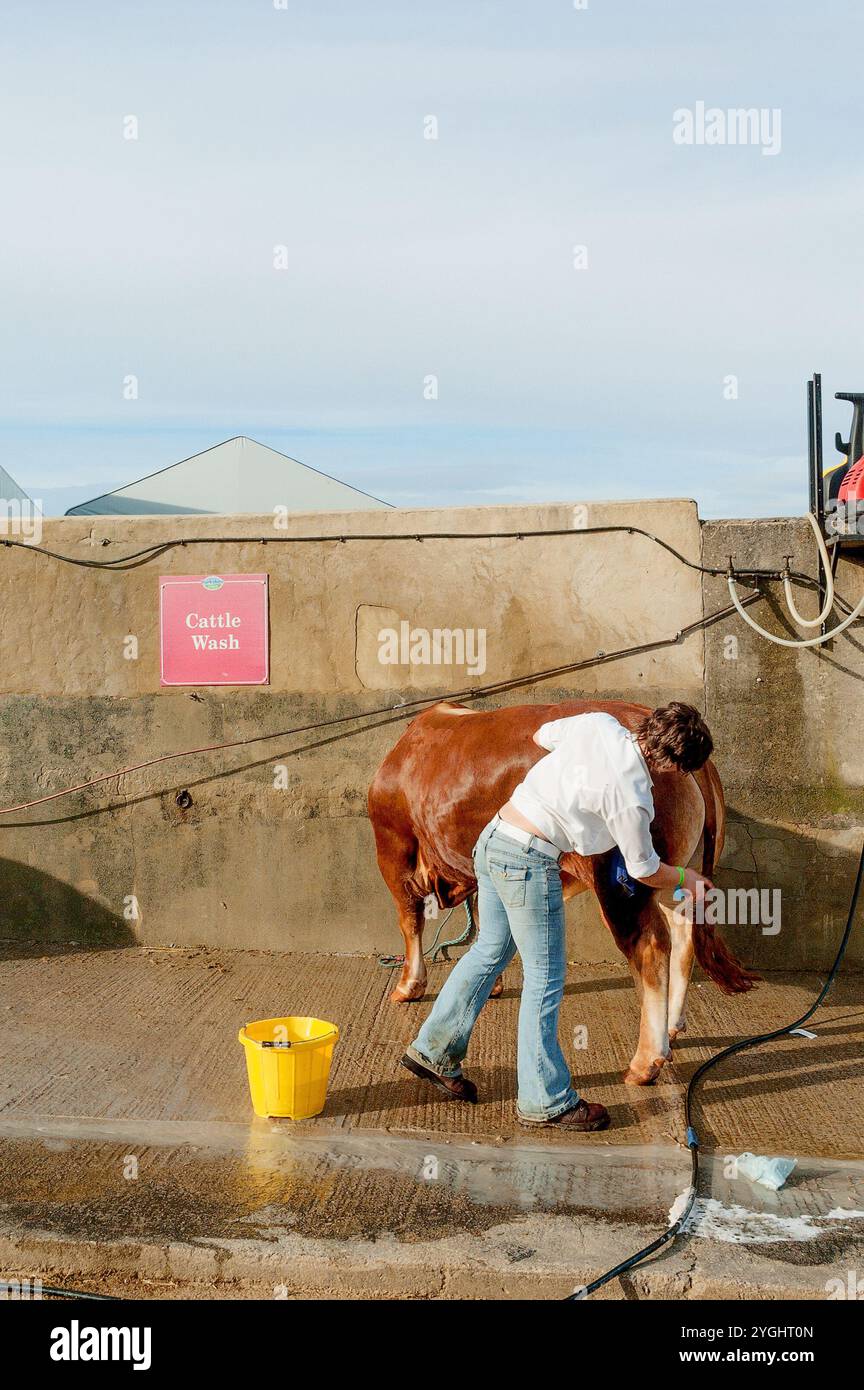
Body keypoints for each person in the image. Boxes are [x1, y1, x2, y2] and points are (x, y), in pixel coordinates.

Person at [401, 702, 715, 1131]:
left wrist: (571, 784)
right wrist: (687, 876)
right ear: (672, 765)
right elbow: (643, 869)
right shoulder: (633, 795)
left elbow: (542, 736)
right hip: (529, 860)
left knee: (489, 950)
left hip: (494, 839)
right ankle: (545, 1099)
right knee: (545, 977)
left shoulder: (599, 725)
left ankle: (432, 1050)